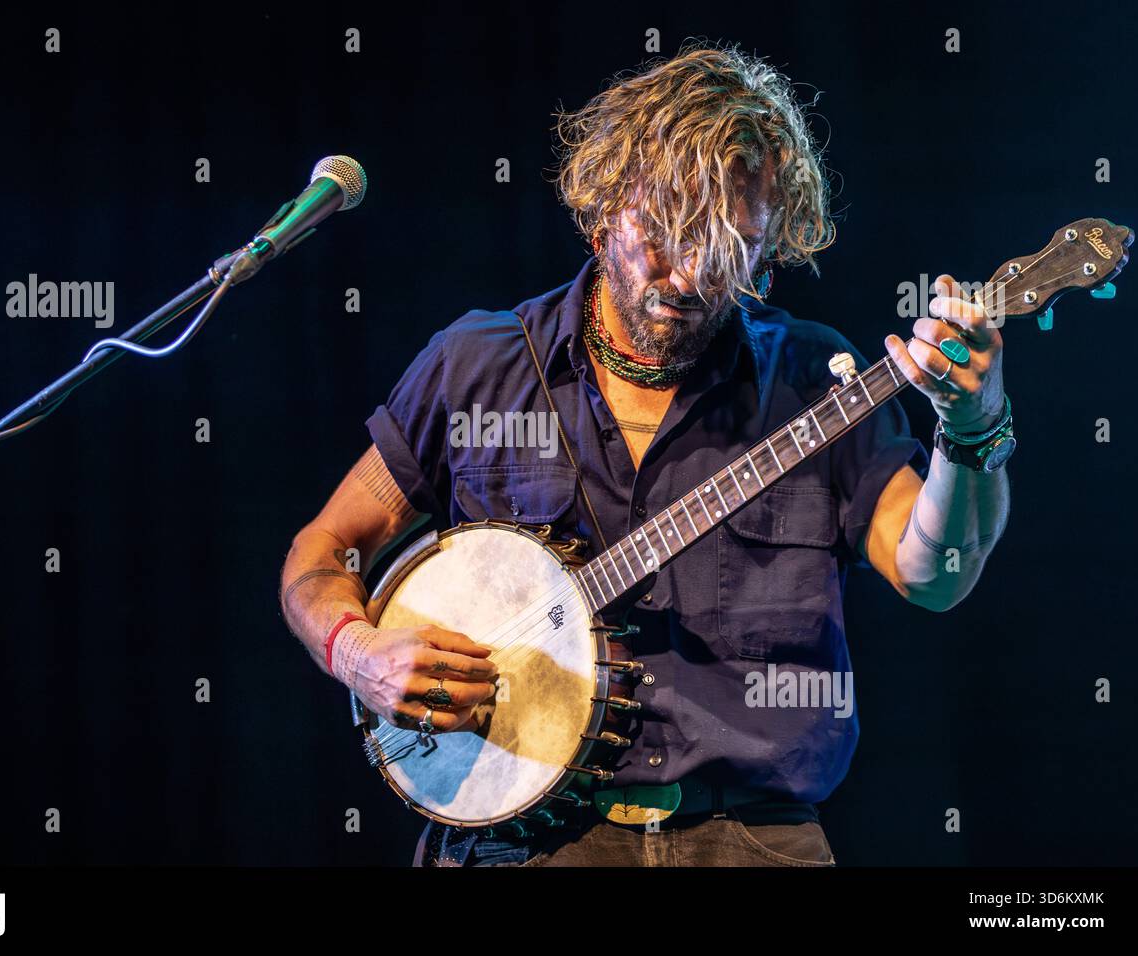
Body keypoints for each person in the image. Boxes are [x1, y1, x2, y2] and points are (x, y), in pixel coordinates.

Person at [279, 42, 1010, 866]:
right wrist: (358, 653)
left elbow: (935, 574)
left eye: (728, 244)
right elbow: (321, 553)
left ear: (769, 245)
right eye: (665, 233)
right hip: (522, 846)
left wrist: (974, 425)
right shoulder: (475, 366)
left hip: (755, 841)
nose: (692, 273)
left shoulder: (815, 377)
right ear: (601, 210)